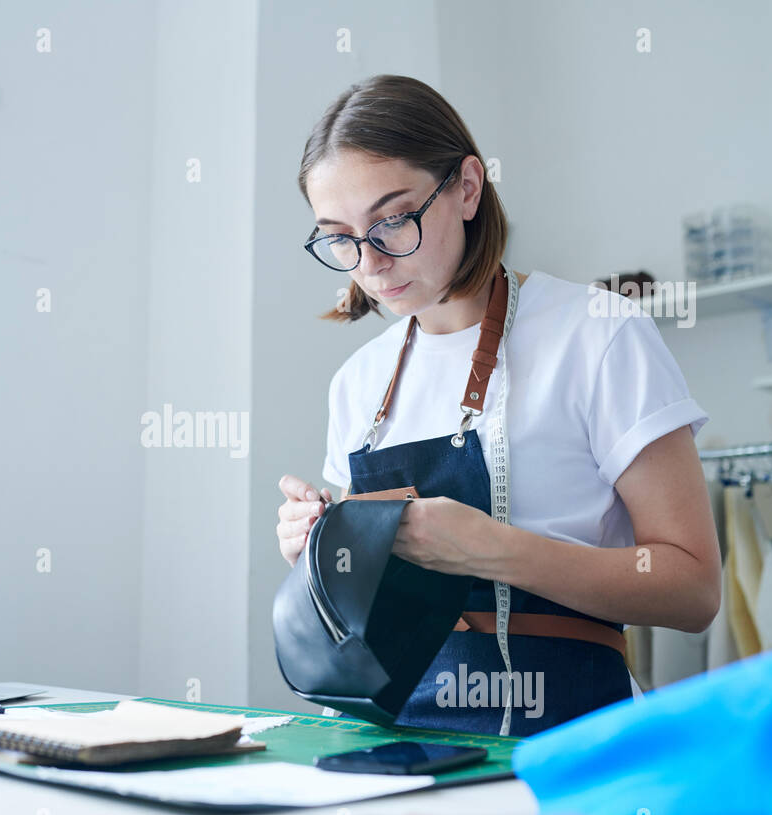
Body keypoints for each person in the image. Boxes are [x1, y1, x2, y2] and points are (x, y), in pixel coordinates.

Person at [276, 75, 721, 736]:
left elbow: (693, 590)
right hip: (396, 748)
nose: (367, 262)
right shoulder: (358, 381)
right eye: (339, 236)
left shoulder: (600, 333)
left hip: (568, 744)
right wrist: (321, 548)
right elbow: (367, 608)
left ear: (466, 187)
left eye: (392, 219)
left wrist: (494, 551)